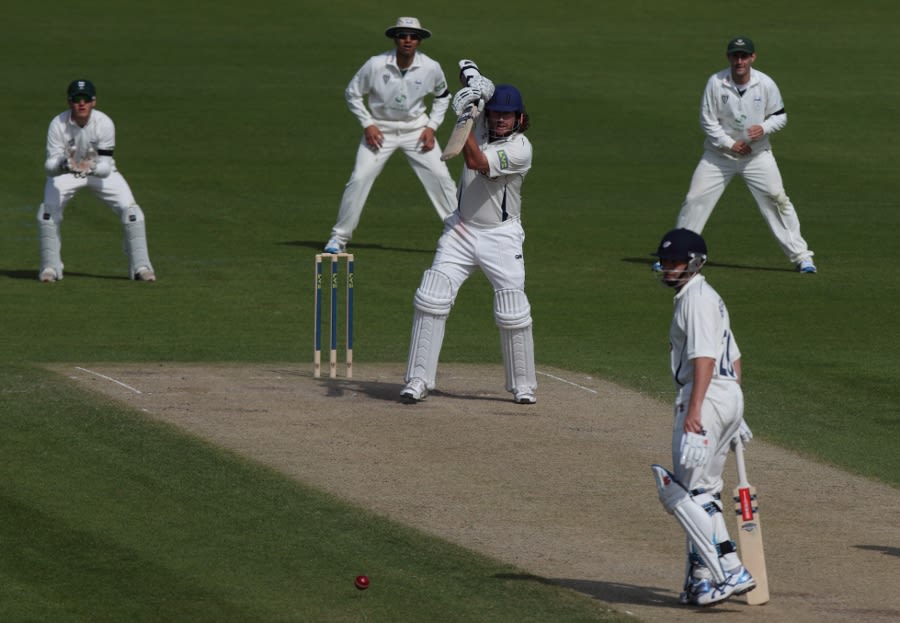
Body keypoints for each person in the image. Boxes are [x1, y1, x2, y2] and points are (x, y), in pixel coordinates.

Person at [400, 70, 537, 405]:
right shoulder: (481, 123)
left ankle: (523, 385)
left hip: (501, 236)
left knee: (513, 310)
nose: (500, 120)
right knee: (431, 296)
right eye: (495, 113)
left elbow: (475, 160)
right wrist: (475, 84)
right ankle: (418, 379)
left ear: (519, 118)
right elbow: (467, 73)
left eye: (507, 115)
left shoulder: (520, 148)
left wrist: (466, 114)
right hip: (461, 229)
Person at [649, 228, 757, 607]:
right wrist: (734, 412)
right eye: (664, 261)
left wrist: (696, 410)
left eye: (675, 262)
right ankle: (702, 580)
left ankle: (731, 569)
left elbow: (705, 360)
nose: (668, 267)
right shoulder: (710, 297)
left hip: (704, 397)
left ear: (694, 263)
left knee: (685, 495)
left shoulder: (695, 299)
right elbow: (735, 357)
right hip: (726, 397)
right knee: (705, 493)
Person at [668, 37, 816, 274]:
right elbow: (707, 121)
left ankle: (802, 257)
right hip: (718, 157)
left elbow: (780, 116)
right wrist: (730, 144)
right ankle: (675, 256)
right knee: (694, 199)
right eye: (735, 56)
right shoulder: (716, 83)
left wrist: (764, 128)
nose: (739, 61)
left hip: (757, 156)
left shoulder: (765, 83)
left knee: (777, 199)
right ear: (729, 57)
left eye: (744, 56)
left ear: (752, 57)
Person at [323, 17, 458, 254]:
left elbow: (443, 96)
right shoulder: (375, 64)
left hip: (416, 131)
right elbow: (352, 93)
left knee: (441, 177)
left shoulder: (431, 67)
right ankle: (339, 238)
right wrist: (368, 124)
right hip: (380, 131)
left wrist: (432, 126)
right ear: (395, 38)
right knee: (359, 178)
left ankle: (461, 235)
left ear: (419, 41)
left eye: (413, 36)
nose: (408, 40)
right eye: (403, 35)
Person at [38, 79, 155, 282]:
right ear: (69, 102)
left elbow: (105, 168)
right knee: (47, 214)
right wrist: (64, 164)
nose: (81, 103)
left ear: (93, 101)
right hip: (66, 174)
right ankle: (50, 267)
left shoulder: (104, 123)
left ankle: (141, 266)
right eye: (76, 99)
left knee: (132, 213)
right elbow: (49, 166)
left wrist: (90, 167)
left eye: (85, 99)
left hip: (99, 173)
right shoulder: (57, 124)